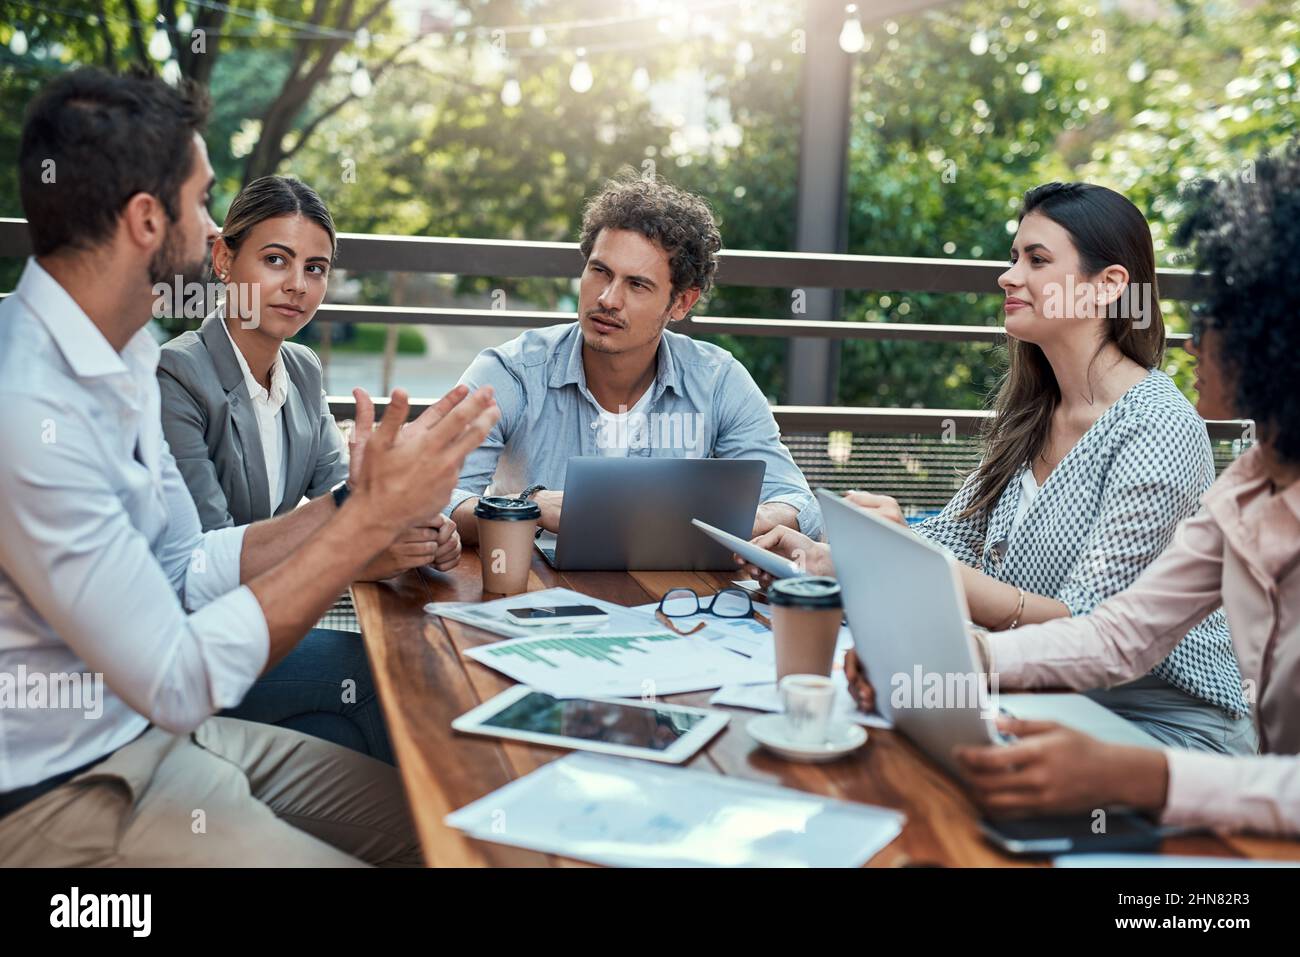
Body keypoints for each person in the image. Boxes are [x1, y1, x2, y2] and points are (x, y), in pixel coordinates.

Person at [0, 68, 498, 865]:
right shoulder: (29, 407)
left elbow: (188, 563)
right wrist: (365, 522)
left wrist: (358, 499)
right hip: (70, 795)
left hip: (159, 737)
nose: (210, 230)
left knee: (449, 833)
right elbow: (177, 676)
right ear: (146, 219)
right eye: (202, 203)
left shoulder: (124, 353)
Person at [742, 183, 1252, 753]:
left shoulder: (1158, 428)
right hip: (1037, 701)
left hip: (1158, 730)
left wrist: (916, 566)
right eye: (1014, 258)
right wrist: (829, 555)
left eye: (1037, 260)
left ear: (1109, 285)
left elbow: (1089, 627)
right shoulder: (1035, 410)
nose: (1008, 277)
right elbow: (955, 542)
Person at [934, 142, 1300, 834]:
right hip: (1208, 781)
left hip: (1209, 775)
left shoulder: (1160, 425)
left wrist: (1136, 775)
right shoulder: (1249, 487)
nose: (1191, 343)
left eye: (1220, 322)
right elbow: (1119, 633)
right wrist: (965, 662)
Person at [156, 175, 457, 762]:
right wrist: (363, 550)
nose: (297, 284)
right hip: (199, 639)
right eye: (276, 260)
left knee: (344, 734)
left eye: (315, 268)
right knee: (377, 670)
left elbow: (342, 490)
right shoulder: (178, 376)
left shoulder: (301, 368)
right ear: (223, 260)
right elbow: (211, 562)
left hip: (262, 623)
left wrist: (419, 529)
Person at [446, 174, 822, 545]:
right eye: (600, 271)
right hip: (533, 580)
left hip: (673, 584)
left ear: (681, 302)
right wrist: (531, 506)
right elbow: (438, 502)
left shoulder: (717, 381)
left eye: (637, 284)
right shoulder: (511, 371)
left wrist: (747, 518)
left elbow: (796, 501)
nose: (608, 299)